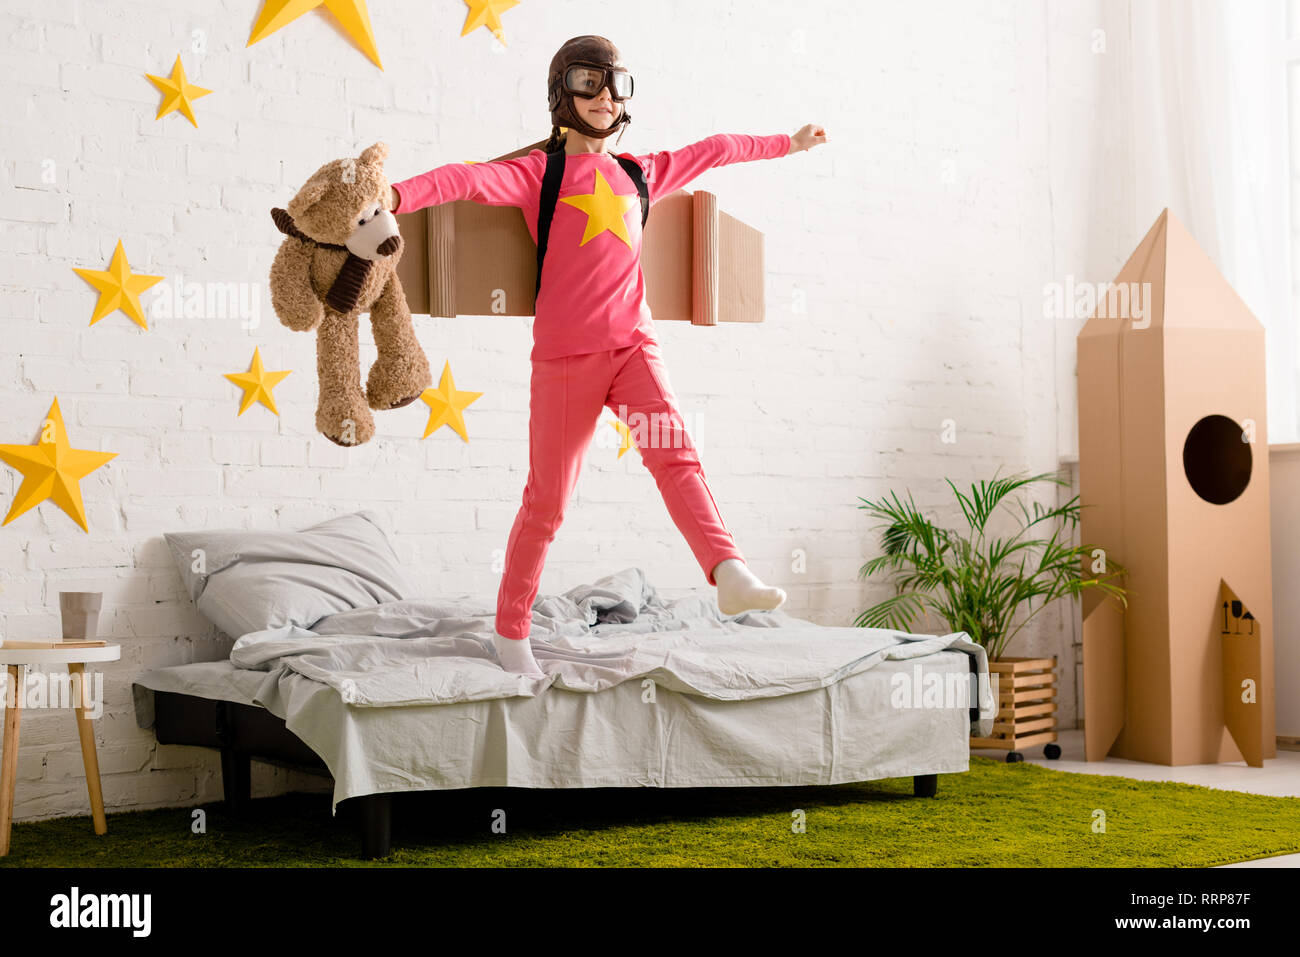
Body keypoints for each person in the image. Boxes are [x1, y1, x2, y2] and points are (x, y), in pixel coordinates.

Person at [390, 35, 829, 676]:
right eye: (588, 82)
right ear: (561, 92)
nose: (603, 97)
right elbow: (462, 179)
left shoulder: (638, 172)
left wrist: (786, 143)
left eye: (615, 85)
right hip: (568, 360)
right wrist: (392, 198)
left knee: (676, 454)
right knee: (548, 501)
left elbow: (714, 151)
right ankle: (510, 630)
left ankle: (727, 568)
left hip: (633, 349)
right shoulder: (538, 174)